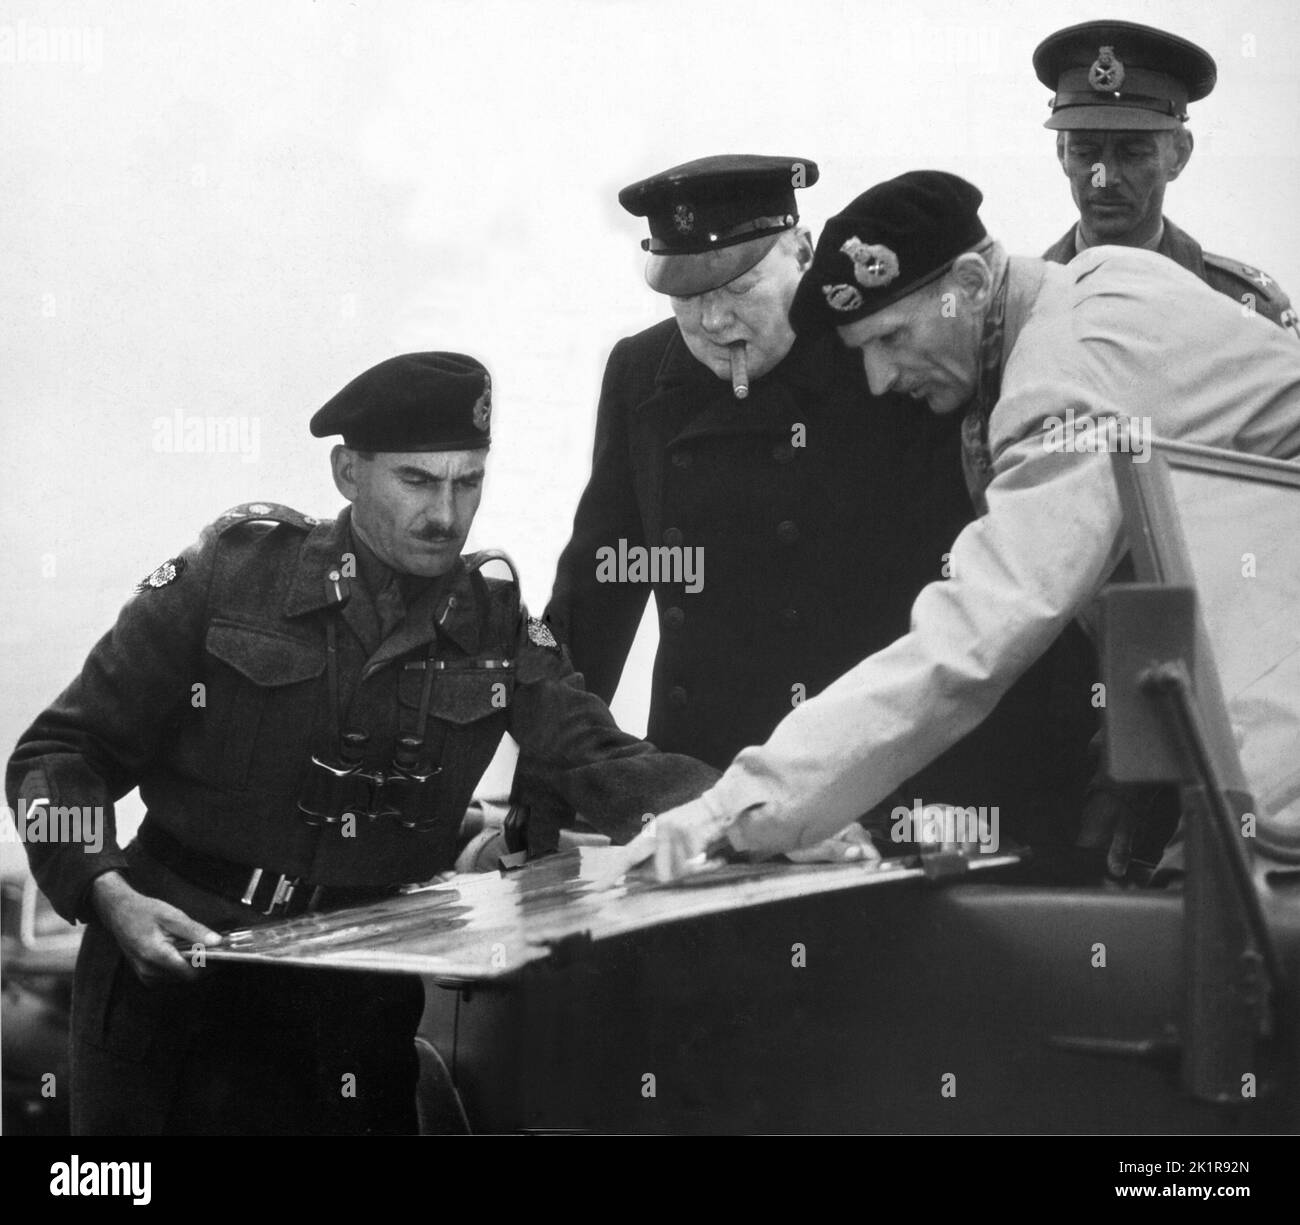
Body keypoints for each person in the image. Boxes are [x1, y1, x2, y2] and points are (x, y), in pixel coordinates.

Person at [5, 351, 718, 1135]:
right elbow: (59, 756)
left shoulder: (496, 625)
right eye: (417, 480)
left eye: (468, 480)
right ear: (349, 471)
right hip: (178, 983)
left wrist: (759, 807)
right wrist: (109, 895)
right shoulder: (233, 576)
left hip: (353, 1010)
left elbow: (604, 758)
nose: (446, 514)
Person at [648, 170, 1300, 881]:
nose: (877, 377)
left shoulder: (1059, 378)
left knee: (1229, 939)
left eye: (891, 336)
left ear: (968, 280)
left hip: (1277, 747)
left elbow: (971, 641)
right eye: (861, 348)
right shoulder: (1109, 279)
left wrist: (733, 811)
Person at [511, 154, 1097, 858]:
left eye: (740, 284)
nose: (713, 316)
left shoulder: (891, 361)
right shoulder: (641, 375)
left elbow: (1002, 598)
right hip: (696, 790)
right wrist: (531, 818)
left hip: (881, 791)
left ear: (803, 252)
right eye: (687, 294)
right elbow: (597, 594)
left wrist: (1053, 802)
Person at [1034, 18, 1299, 338]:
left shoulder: (1245, 307)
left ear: (1180, 154)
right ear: (1062, 151)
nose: (1105, 178)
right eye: (1085, 153)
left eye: (1133, 153)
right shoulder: (1020, 304)